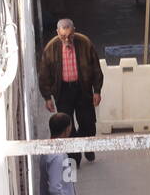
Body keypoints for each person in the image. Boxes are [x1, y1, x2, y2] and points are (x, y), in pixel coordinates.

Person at [38, 18, 103, 165]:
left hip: (83, 89)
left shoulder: (85, 43)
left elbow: (96, 69)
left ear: (74, 30)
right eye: (63, 37)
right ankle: (74, 158)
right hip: (63, 91)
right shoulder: (51, 48)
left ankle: (88, 147)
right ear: (57, 33)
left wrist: (97, 90)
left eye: (70, 36)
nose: (67, 39)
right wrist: (47, 97)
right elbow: (44, 74)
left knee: (88, 122)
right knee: (67, 126)